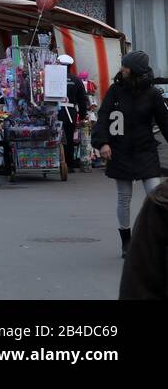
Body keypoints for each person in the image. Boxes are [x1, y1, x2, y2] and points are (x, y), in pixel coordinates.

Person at [92, 50, 168, 258]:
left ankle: (154, 238)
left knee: (155, 196)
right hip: (121, 150)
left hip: (145, 150)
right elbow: (103, 117)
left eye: (126, 66)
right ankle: (126, 241)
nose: (122, 69)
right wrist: (103, 143)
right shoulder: (115, 90)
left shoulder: (152, 94)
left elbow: (165, 122)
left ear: (135, 70)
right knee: (124, 198)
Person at [120, 181, 168, 298]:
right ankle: (125, 239)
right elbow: (139, 286)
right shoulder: (161, 201)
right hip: (123, 166)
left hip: (147, 164)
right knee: (124, 197)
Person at [56, 54, 89, 169]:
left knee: (55, 137)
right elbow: (82, 100)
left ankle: (57, 163)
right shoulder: (77, 80)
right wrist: (83, 115)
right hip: (70, 112)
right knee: (69, 138)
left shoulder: (53, 77)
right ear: (70, 66)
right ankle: (69, 165)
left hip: (55, 112)